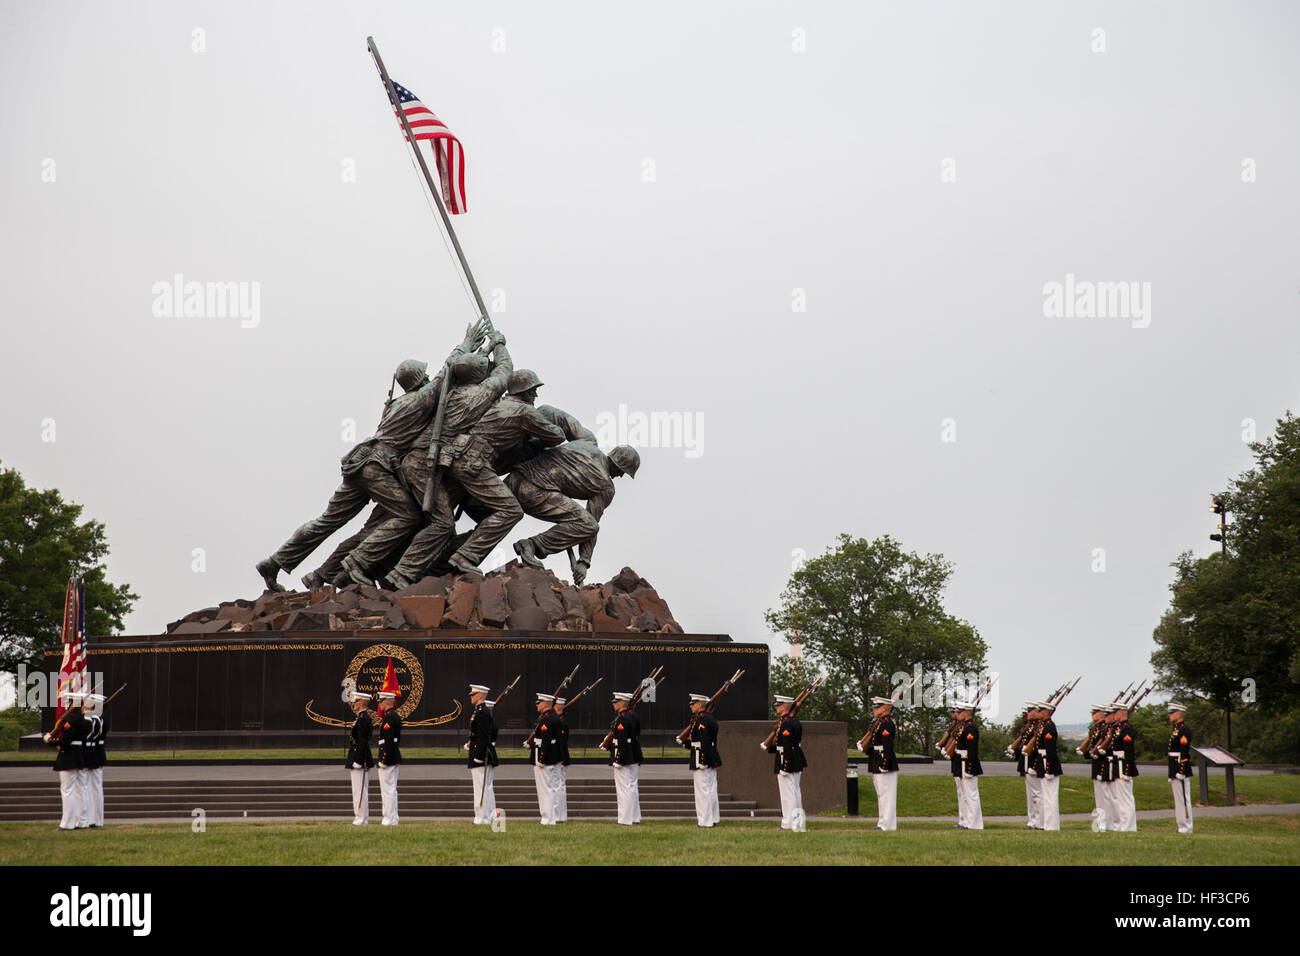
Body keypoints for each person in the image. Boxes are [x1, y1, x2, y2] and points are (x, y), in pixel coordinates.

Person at [255, 320, 488, 592]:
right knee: (409, 516)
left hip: (360, 462)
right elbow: (445, 374)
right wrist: (467, 344)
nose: (427, 378)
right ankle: (356, 563)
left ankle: (276, 561)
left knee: (327, 520)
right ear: (419, 380)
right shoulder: (418, 400)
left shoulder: (395, 404)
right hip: (377, 466)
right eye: (424, 376)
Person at [507, 442, 640, 586]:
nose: (620, 476)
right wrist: (584, 561)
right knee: (589, 525)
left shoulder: (586, 446)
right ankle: (531, 545)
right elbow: (590, 525)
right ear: (618, 464)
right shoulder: (606, 486)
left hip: (512, 479)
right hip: (533, 491)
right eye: (623, 471)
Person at [45, 690, 90, 831]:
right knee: (80, 790)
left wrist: (50, 740)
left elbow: (65, 741)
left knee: (67, 791)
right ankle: (81, 821)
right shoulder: (85, 721)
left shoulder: (70, 721)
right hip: (80, 757)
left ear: (72, 704)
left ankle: (67, 823)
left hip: (69, 757)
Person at [763, 694, 807, 830]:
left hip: (787, 759)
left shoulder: (787, 723)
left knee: (788, 794)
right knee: (795, 792)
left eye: (778, 705)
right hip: (794, 758)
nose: (776, 708)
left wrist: (785, 766)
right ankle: (797, 822)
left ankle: (788, 823)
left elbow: (787, 745)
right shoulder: (792, 721)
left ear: (784, 707)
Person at [858, 696, 899, 831]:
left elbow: (887, 747)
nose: (875, 710)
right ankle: (882, 822)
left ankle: (888, 825)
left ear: (885, 709)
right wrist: (865, 748)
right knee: (882, 795)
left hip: (884, 762)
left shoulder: (887, 724)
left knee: (887, 796)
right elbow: (875, 745)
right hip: (876, 760)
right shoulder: (879, 723)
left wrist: (884, 764)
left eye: (878, 707)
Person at [683, 694, 722, 827]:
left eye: (693, 704)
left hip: (702, 758)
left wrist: (703, 761)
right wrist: (685, 743)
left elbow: (704, 742)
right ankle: (713, 818)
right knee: (710, 790)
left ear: (700, 705)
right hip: (709, 756)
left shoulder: (701, 721)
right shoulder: (709, 719)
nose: (691, 706)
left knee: (702, 792)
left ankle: (705, 821)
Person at [606, 691, 643, 825]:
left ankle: (625, 819)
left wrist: (618, 759)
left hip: (624, 756)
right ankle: (634, 817)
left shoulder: (622, 719)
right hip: (633, 755)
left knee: (624, 789)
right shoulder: (634, 716)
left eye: (616, 702)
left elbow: (622, 741)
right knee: (632, 787)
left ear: (622, 703)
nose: (614, 704)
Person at [529, 693, 563, 825]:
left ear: (545, 704)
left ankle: (547, 818)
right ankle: (549, 817)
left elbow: (546, 740)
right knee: (548, 787)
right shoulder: (553, 717)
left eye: (539, 702)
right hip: (551, 757)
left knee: (544, 788)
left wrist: (541, 759)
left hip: (545, 757)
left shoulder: (546, 720)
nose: (537, 704)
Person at [466, 684, 498, 824]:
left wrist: (479, 755)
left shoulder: (482, 712)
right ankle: (490, 816)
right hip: (479, 750)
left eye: (473, 694)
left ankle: (482, 817)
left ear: (480, 696)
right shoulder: (479, 711)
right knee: (485, 787)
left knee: (481, 788)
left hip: (480, 754)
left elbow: (484, 736)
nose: (471, 697)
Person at [948, 701, 983, 830]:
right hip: (961, 762)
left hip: (968, 764)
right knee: (965, 795)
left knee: (971, 795)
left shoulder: (971, 728)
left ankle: (975, 824)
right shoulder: (963, 727)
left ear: (967, 713)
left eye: (961, 711)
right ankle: (967, 822)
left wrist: (969, 768)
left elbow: (972, 750)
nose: (958, 714)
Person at [1028, 700, 1062, 831]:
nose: (1038, 713)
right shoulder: (1043, 726)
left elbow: (1050, 750)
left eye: (1041, 711)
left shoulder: (1049, 727)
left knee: (1050, 798)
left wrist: (1049, 769)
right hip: (1043, 763)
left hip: (1049, 765)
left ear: (1047, 712)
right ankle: (1047, 824)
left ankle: (1052, 825)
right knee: (1046, 797)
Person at [1081, 704, 1112, 831]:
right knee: (1099, 797)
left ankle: (1106, 822)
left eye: (1096, 712)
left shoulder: (1106, 728)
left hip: (1104, 763)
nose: (1093, 715)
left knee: (1105, 795)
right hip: (1096, 764)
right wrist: (1087, 753)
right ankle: (1100, 821)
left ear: (1102, 713)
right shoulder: (1096, 728)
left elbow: (1106, 747)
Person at [345, 692, 375, 825]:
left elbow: (363, 741)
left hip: (360, 757)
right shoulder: (360, 718)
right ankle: (360, 816)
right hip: (356, 755)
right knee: (357, 790)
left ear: (362, 702)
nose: (353, 704)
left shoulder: (364, 719)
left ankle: (361, 818)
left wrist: (358, 760)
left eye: (356, 701)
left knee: (360, 790)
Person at [1109, 704, 1138, 832]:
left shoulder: (1126, 729)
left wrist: (1127, 769)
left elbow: (1129, 751)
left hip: (1122, 765)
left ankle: (1129, 827)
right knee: (1120, 799)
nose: (1113, 715)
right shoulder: (1119, 728)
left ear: (1121, 712)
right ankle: (1123, 825)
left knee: (1125, 798)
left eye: (1115, 712)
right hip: (1117, 764)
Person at [376, 690, 402, 826]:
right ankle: (392, 818)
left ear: (387, 702)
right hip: (393, 757)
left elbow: (389, 741)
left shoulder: (390, 718)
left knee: (388, 790)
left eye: (380, 702)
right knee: (391, 789)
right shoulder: (392, 717)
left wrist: (383, 759)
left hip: (389, 758)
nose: (379, 704)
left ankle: (388, 818)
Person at [82, 692, 108, 828]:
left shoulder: (91, 720)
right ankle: (96, 819)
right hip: (98, 752)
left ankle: (88, 819)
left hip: (90, 753)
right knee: (95, 788)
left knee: (86, 787)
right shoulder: (102, 718)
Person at [1167, 702, 1194, 834]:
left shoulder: (1184, 730)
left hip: (1179, 767)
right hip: (1174, 766)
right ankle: (1181, 825)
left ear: (1179, 713)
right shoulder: (1177, 729)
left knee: (1183, 798)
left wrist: (1181, 770)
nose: (1170, 715)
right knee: (1178, 799)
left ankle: (1186, 826)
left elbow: (1184, 752)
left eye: (1172, 713)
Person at [553, 697, 571, 823]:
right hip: (561, 756)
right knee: (559, 785)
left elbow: (560, 741)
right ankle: (560, 815)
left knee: (557, 786)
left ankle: (559, 815)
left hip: (559, 756)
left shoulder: (561, 722)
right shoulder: (560, 720)